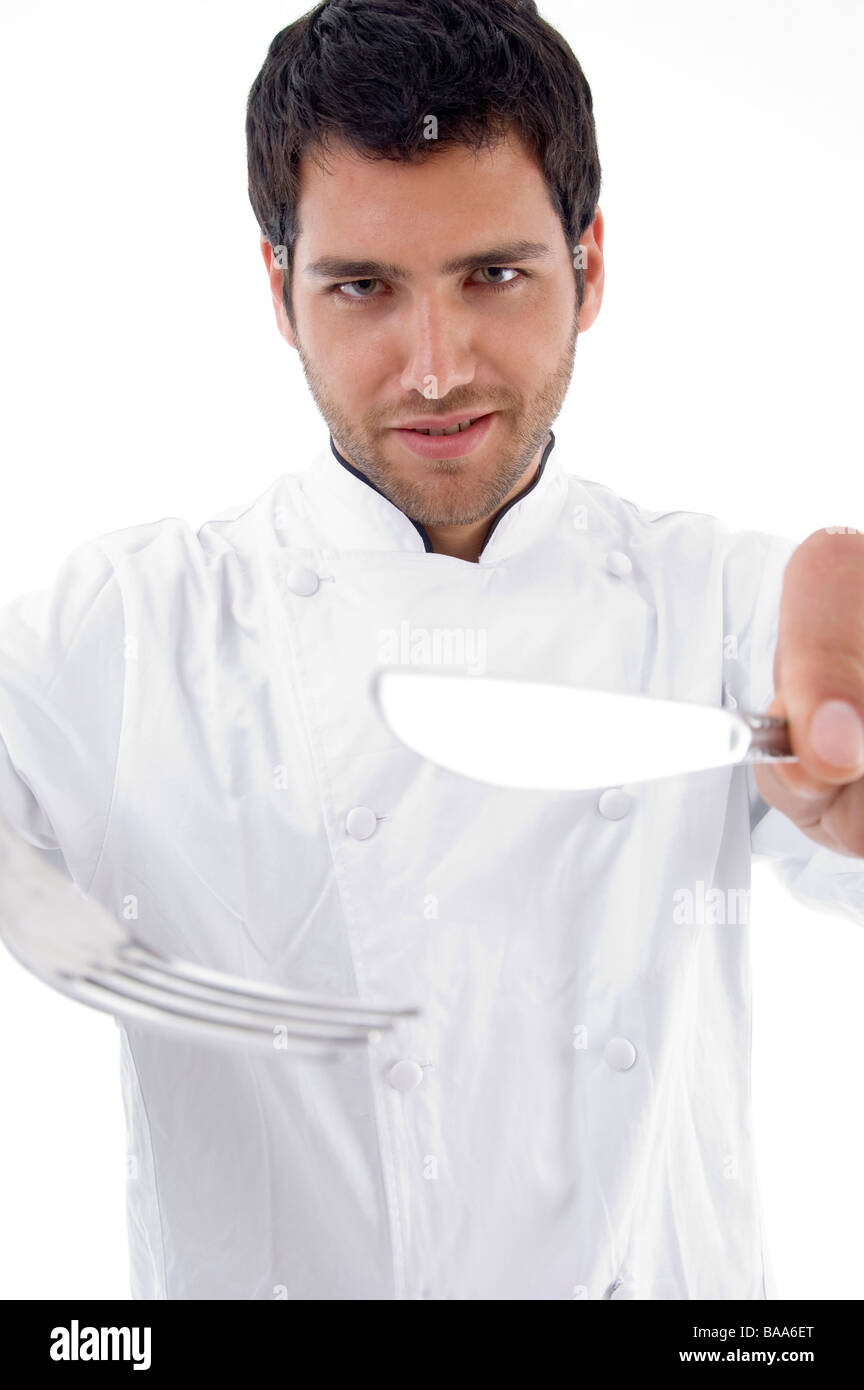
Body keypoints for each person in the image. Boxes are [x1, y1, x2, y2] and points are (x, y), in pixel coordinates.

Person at [1, 0, 863, 1301]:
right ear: (279, 294)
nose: (435, 368)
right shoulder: (122, 633)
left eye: (494, 276)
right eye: (364, 288)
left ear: (594, 265)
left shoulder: (725, 605)